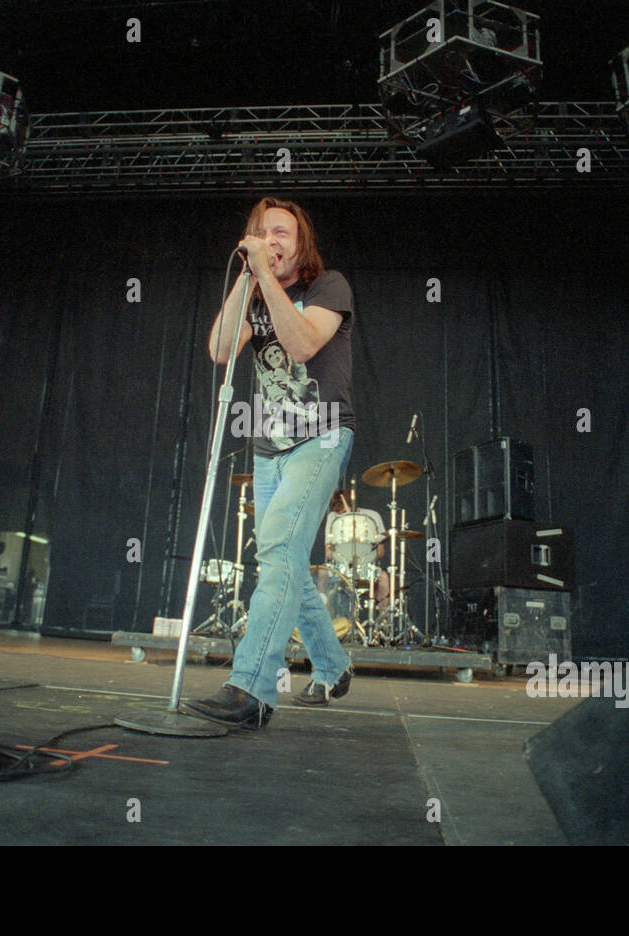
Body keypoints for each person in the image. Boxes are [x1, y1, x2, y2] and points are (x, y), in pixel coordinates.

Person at [183, 197, 356, 729]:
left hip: (322, 434)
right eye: (260, 232)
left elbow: (302, 346)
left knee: (279, 548)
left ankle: (252, 688)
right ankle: (334, 663)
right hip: (267, 446)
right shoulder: (255, 288)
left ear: (300, 243)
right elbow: (219, 349)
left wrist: (267, 277)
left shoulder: (329, 287)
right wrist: (247, 279)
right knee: (285, 563)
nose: (270, 240)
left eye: (280, 232)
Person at [325, 490, 390, 610]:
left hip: (366, 566)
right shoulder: (332, 517)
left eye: (344, 512)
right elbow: (328, 552)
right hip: (341, 566)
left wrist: (363, 557)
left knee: (384, 579)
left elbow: (381, 550)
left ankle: (383, 624)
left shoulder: (372, 516)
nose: (340, 516)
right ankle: (328, 623)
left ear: (353, 506)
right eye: (337, 513)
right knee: (321, 574)